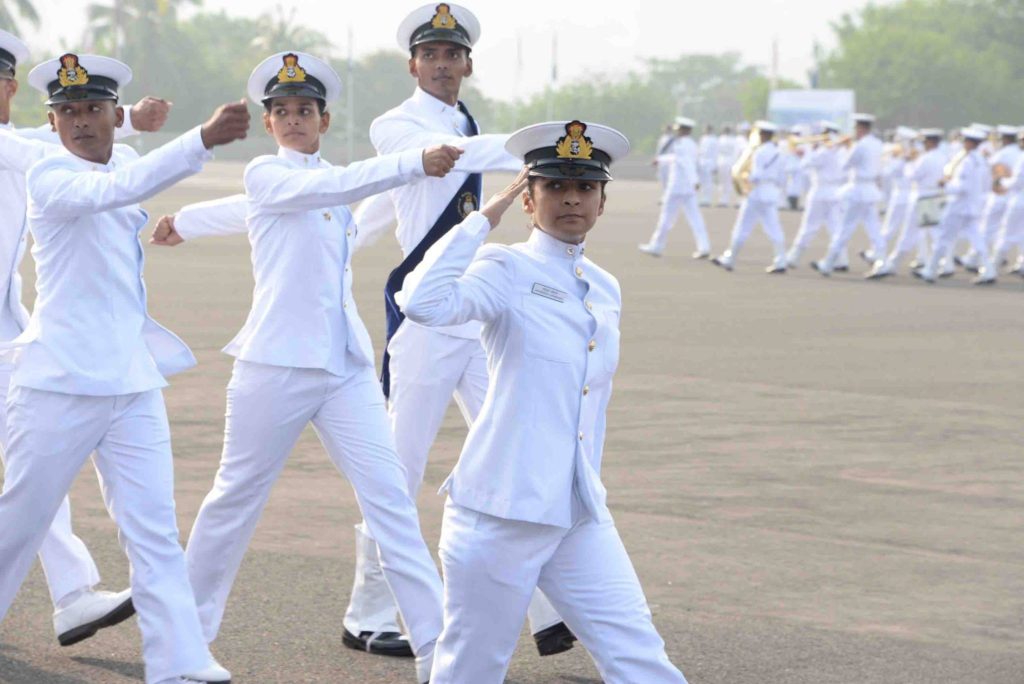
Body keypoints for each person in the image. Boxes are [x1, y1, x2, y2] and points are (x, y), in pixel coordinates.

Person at [167, 51, 455, 684]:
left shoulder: (324, 185)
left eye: (305, 110)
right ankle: (181, 646)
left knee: (391, 504)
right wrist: (410, 162)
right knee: (232, 504)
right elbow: (294, 193)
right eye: (282, 112)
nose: (293, 119)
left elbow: (267, 208)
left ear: (323, 120)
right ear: (268, 125)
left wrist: (184, 222)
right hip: (273, 365)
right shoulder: (271, 174)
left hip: (343, 368)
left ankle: (441, 657)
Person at [396, 119, 688, 684]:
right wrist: (480, 222)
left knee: (641, 659)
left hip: (576, 510)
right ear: (528, 199)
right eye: (554, 187)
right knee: (471, 671)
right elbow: (421, 302)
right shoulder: (506, 268)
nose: (571, 199)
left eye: (584, 187)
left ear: (603, 201)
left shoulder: (605, 286)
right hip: (499, 514)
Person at [0, 51, 249, 684]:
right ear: (51, 122)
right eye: (67, 112)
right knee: (20, 524)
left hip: (131, 380)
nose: (81, 122)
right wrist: (200, 138)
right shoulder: (51, 179)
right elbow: (111, 191)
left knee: (155, 529)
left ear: (117, 115)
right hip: (58, 383)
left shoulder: (129, 159)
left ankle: (181, 662)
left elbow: (126, 179)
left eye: (93, 110)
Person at [350, 2, 575, 659]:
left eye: (453, 55)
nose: (443, 64)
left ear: (467, 64)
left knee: (508, 448)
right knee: (399, 468)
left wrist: (339, 237)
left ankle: (547, 609)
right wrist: (528, 145)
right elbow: (433, 164)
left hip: (470, 312)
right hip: (422, 314)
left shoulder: (466, 119)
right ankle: (367, 612)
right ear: (413, 63)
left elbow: (383, 206)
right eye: (432, 55)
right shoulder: (397, 125)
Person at [914, 127, 995, 284]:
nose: (963, 143)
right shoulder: (981, 160)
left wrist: (945, 184)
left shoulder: (967, 161)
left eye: (965, 140)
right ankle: (989, 269)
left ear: (970, 143)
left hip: (959, 205)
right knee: (977, 239)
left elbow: (962, 187)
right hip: (972, 205)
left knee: (943, 237)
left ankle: (930, 270)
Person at [811, 113, 886, 276]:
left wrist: (843, 147)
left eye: (855, 128)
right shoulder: (877, 143)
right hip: (870, 190)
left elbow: (844, 165)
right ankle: (882, 262)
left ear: (860, 128)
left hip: (859, 190)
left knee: (845, 229)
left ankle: (828, 262)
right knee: (874, 229)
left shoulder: (860, 145)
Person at [867, 128, 946, 278]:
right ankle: (898, 264)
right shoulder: (941, 157)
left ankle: (894, 265)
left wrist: (908, 162)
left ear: (930, 142)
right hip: (933, 195)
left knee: (910, 235)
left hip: (921, 196)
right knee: (933, 234)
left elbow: (912, 176)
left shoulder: (925, 158)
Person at [711, 120, 788, 273]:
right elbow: (782, 179)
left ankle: (730, 258)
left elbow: (757, 175)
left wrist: (747, 177)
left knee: (742, 228)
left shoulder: (760, 152)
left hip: (757, 193)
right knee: (775, 229)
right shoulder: (779, 152)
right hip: (771, 193)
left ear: (763, 135)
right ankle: (780, 261)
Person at [638, 116, 709, 258]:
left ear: (682, 130)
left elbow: (685, 163)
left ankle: (657, 246)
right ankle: (704, 246)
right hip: (688, 188)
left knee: (666, 218)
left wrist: (694, 180)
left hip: (678, 186)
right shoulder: (692, 144)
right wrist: (660, 160)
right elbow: (677, 159)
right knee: (695, 218)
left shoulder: (681, 144)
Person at [958, 124, 1020, 271]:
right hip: (1013, 196)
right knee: (1015, 231)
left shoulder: (1002, 154)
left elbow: (990, 173)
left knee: (987, 229)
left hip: (1000, 195)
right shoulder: (1018, 153)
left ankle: (976, 260)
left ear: (1004, 139)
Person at [785, 121, 845, 268]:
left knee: (809, 227)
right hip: (835, 191)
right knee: (835, 227)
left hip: (820, 191)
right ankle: (841, 260)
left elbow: (804, 164)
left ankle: (794, 256)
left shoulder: (823, 152)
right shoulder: (841, 150)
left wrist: (809, 149)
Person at [716, 124, 737, 207]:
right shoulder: (733, 140)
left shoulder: (720, 139)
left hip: (721, 161)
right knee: (728, 181)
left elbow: (716, 152)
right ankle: (726, 199)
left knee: (722, 181)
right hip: (730, 161)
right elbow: (735, 152)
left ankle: (723, 200)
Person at [697, 123, 717, 206]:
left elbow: (716, 152)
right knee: (700, 181)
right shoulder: (702, 138)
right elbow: (698, 151)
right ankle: (701, 198)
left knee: (708, 181)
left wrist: (715, 165)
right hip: (701, 161)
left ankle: (707, 199)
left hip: (710, 161)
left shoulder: (714, 139)